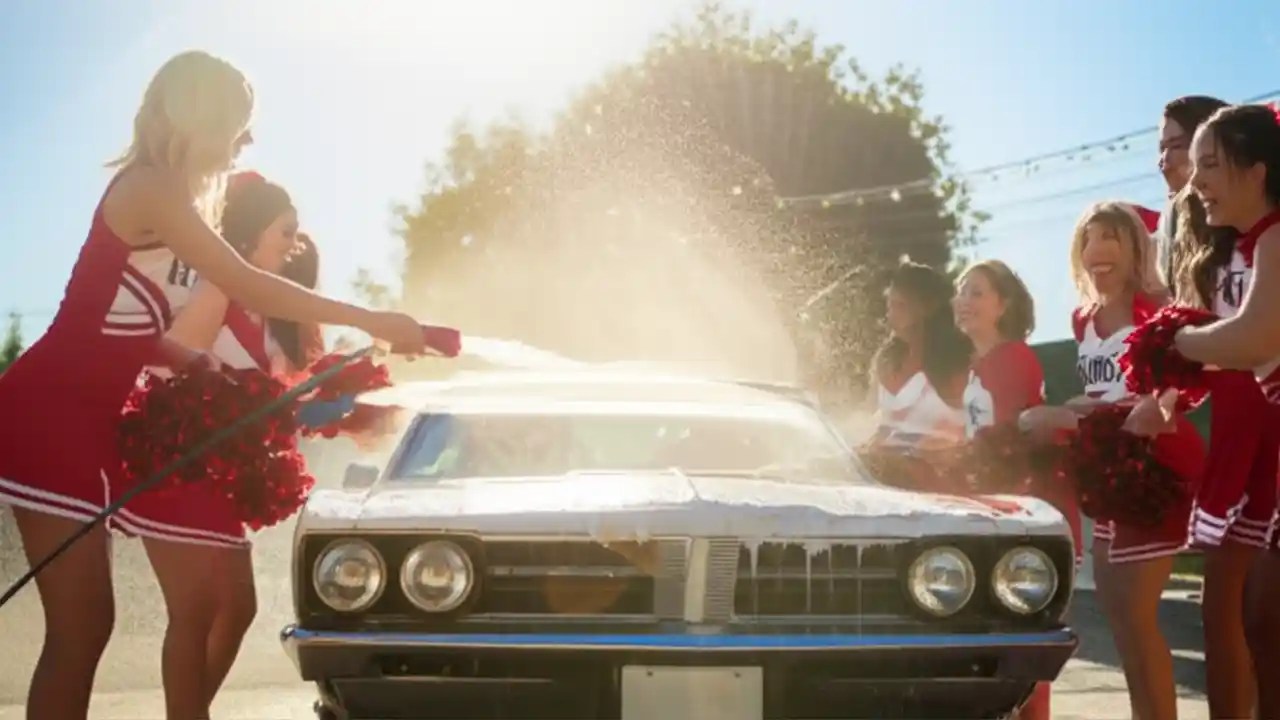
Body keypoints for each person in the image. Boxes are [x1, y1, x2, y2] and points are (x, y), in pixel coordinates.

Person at [0, 51, 426, 720]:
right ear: (202, 117)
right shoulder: (150, 188)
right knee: (81, 626)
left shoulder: (171, 200)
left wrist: (186, 358)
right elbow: (247, 282)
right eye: (238, 125)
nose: (243, 143)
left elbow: (118, 324)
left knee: (88, 625)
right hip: (48, 413)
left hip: (91, 421)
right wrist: (373, 319)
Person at [110, 175, 327, 716]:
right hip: (173, 463)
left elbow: (283, 399)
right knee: (200, 608)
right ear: (250, 235)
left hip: (214, 474)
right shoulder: (217, 288)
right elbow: (169, 361)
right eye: (286, 232)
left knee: (237, 607)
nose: (294, 245)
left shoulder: (263, 315)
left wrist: (349, 406)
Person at [1029, 201, 1203, 720]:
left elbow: (1170, 398)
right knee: (1121, 619)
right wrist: (1076, 412)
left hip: (1155, 471)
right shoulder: (1083, 318)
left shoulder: (1160, 307)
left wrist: (1069, 418)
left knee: (1136, 616)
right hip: (1109, 474)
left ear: (1137, 250)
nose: (1097, 250)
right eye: (1088, 238)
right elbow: (1102, 394)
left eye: (1112, 238)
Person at [1172, 103, 1280, 720]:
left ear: (1257, 170)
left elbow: (1254, 338)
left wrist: (1174, 342)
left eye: (1210, 164)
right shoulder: (1256, 244)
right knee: (1260, 622)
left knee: (1264, 620)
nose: (1195, 181)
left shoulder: (1279, 237)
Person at [951, 259, 1062, 720]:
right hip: (983, 510)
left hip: (1018, 515)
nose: (964, 301)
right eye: (960, 291)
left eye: (977, 292)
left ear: (1004, 304)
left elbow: (1014, 444)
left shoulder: (1014, 357)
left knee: (1022, 654)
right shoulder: (973, 365)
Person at [864, 261, 970, 489]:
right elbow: (876, 424)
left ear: (927, 308)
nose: (889, 315)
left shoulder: (957, 361)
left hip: (939, 486)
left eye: (900, 306)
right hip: (884, 479)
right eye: (889, 305)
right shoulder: (886, 359)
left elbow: (972, 435)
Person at [1156, 95, 1230, 285]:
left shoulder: (1265, 235)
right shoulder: (1170, 228)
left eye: (1176, 146)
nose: (1164, 161)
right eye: (1161, 149)